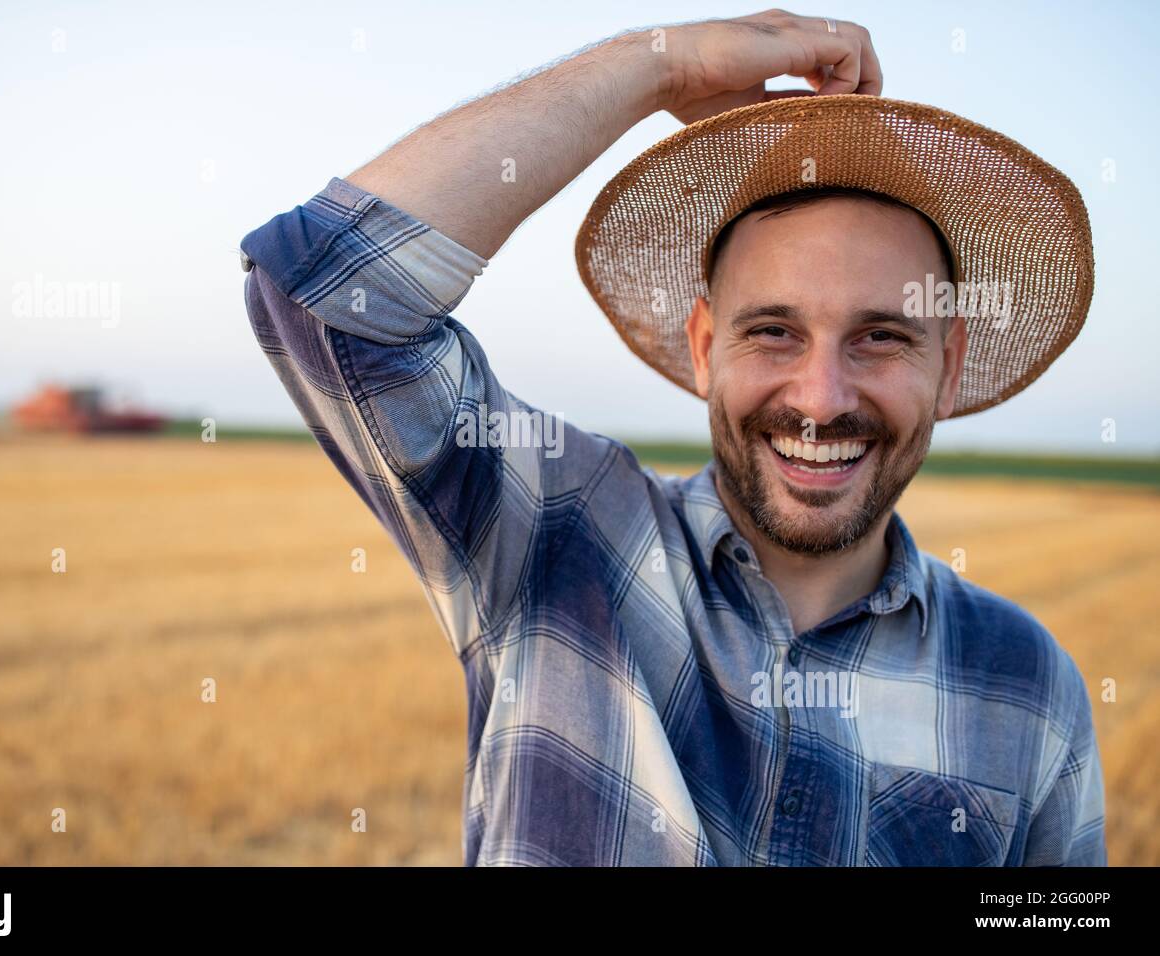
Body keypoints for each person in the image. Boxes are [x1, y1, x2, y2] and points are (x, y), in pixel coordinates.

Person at [239, 9, 1106, 866]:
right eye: (773, 331)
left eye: (882, 336)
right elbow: (324, 291)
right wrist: (660, 65)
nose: (820, 397)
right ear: (703, 348)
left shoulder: (1029, 686)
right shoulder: (558, 532)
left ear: (948, 364)